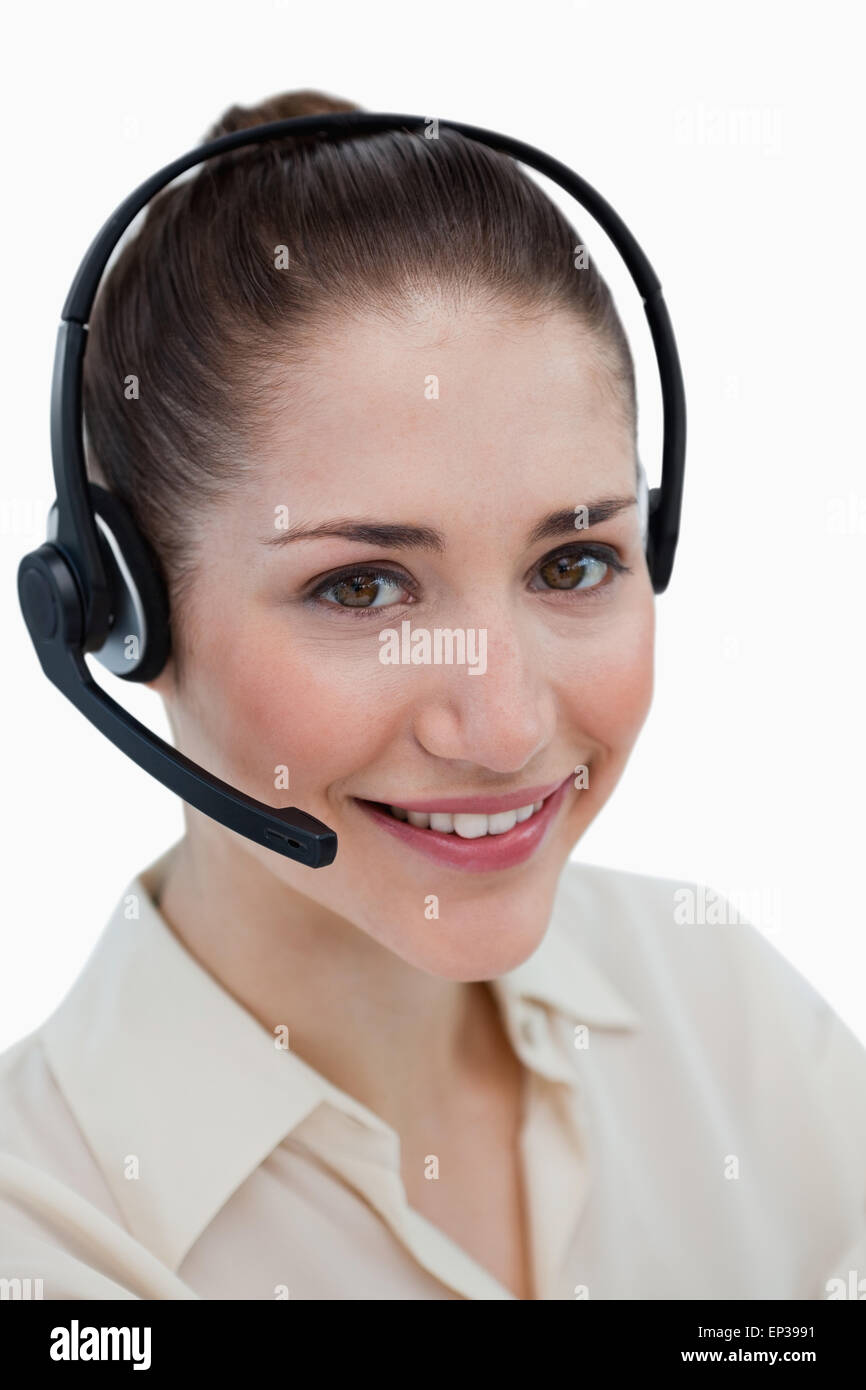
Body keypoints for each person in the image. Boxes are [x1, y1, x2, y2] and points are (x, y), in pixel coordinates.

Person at [1, 88, 864, 1302]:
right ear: (116, 610)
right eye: (361, 590)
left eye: (573, 562)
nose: (504, 725)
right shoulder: (47, 1237)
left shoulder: (714, 1003)